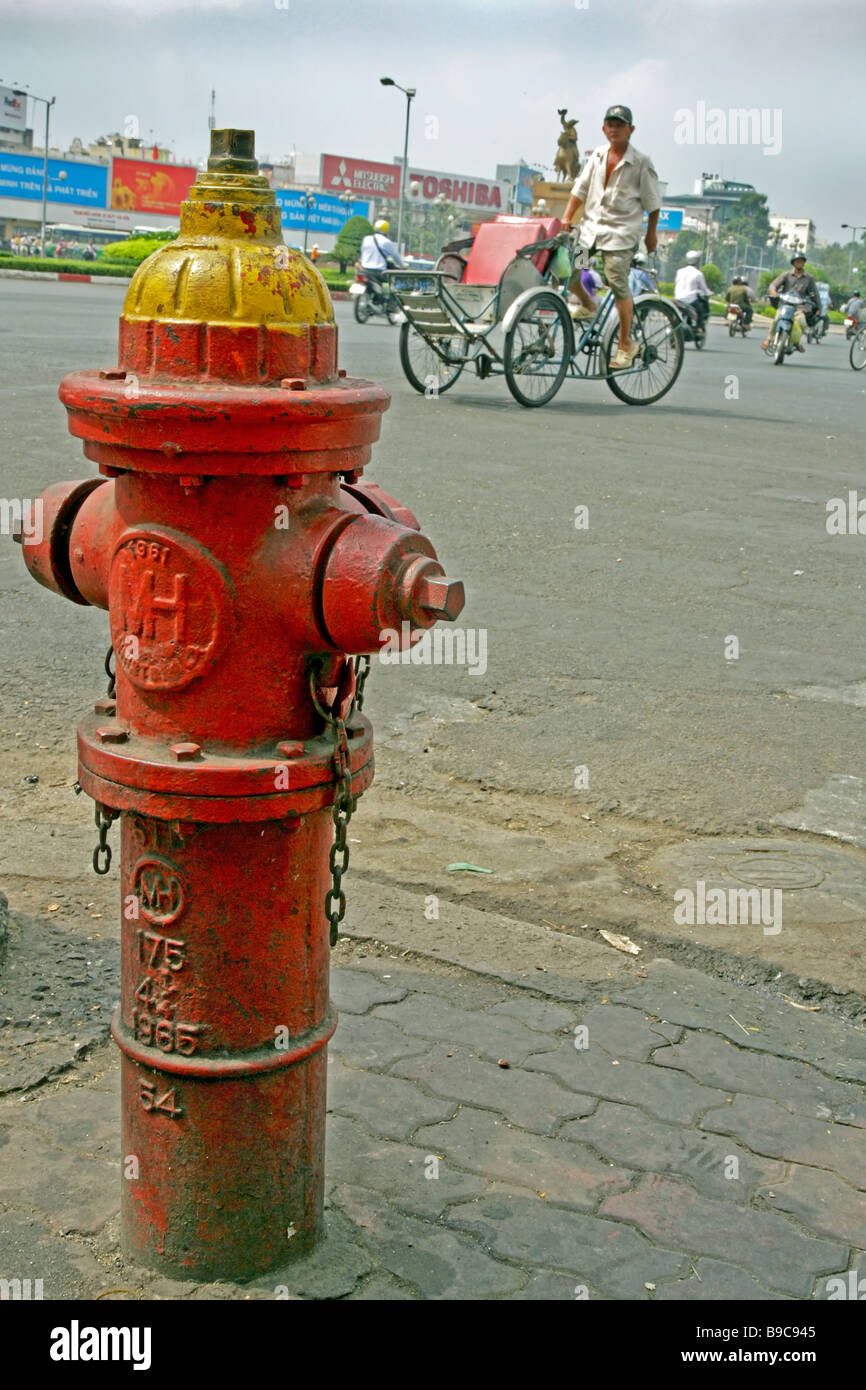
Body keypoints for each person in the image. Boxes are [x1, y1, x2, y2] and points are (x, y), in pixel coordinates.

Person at [559, 103, 661, 369]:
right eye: (610, 124)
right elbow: (579, 190)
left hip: (620, 236)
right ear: (604, 128)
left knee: (616, 281)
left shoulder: (641, 162)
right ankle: (587, 303)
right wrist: (567, 217)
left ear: (631, 129)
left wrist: (651, 236)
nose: (614, 129)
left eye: (620, 125)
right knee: (570, 272)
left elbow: (653, 203)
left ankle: (626, 342)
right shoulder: (597, 157)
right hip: (589, 234)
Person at [762, 254, 820, 353]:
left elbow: (815, 294)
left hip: (800, 307)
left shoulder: (809, 278)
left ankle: (796, 342)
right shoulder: (786, 275)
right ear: (793, 263)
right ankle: (769, 339)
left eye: (801, 261)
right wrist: (773, 291)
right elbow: (773, 284)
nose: (799, 263)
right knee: (777, 318)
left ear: (804, 263)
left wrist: (818, 307)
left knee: (802, 322)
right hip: (785, 304)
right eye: (797, 261)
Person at [674, 250, 712, 332]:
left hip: (678, 300)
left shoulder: (679, 271)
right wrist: (708, 294)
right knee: (701, 312)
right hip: (691, 301)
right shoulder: (698, 273)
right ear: (697, 261)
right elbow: (704, 289)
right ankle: (700, 329)